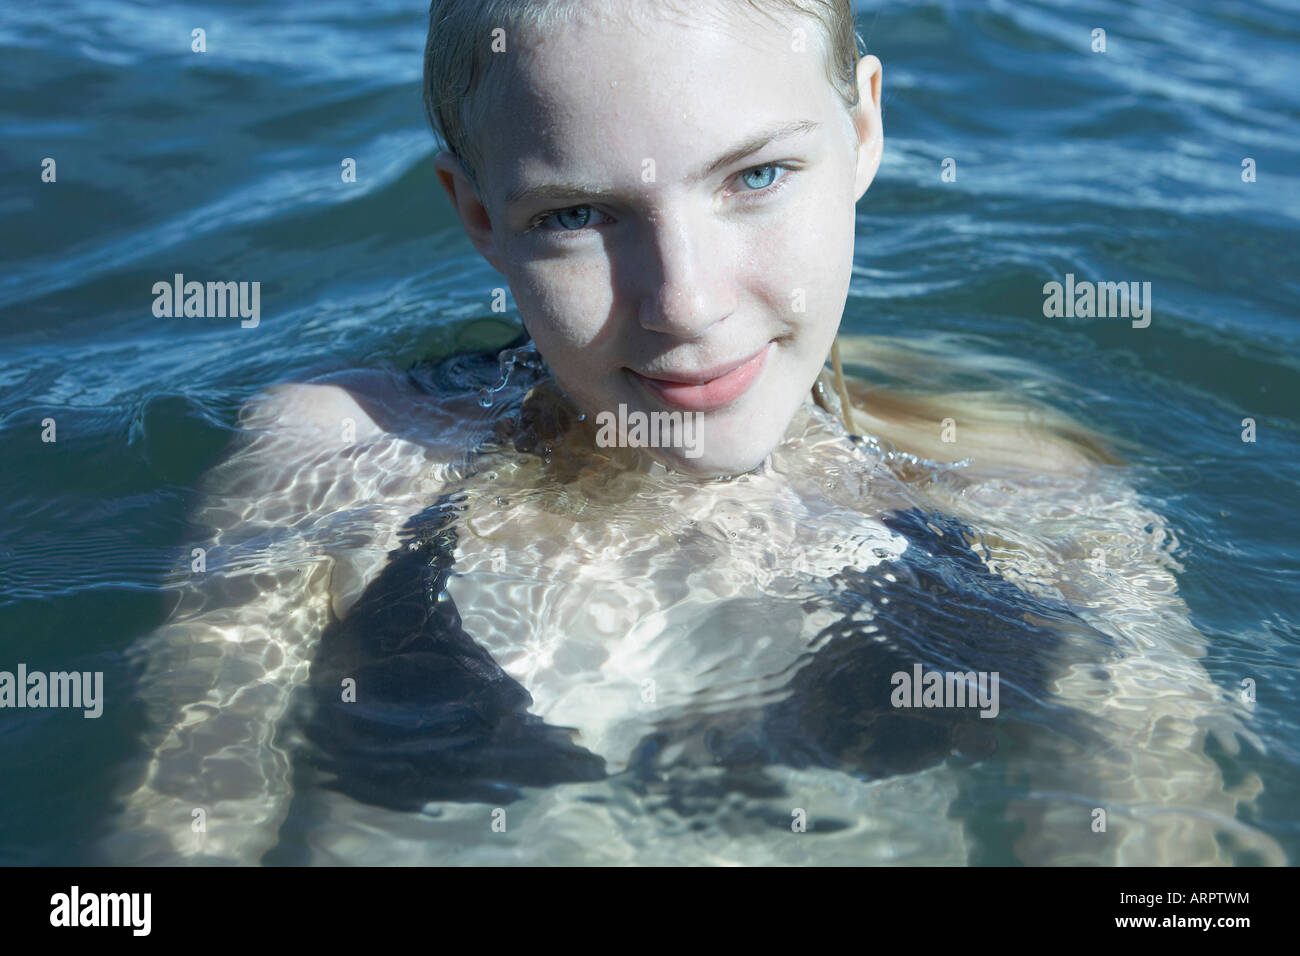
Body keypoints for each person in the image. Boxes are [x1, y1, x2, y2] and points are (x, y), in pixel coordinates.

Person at [100, 0, 1283, 865]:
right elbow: (161, 853)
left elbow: (1165, 867)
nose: (686, 302)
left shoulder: (1033, 508)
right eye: (577, 215)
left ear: (863, 130)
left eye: (757, 176)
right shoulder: (341, 465)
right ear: (476, 215)